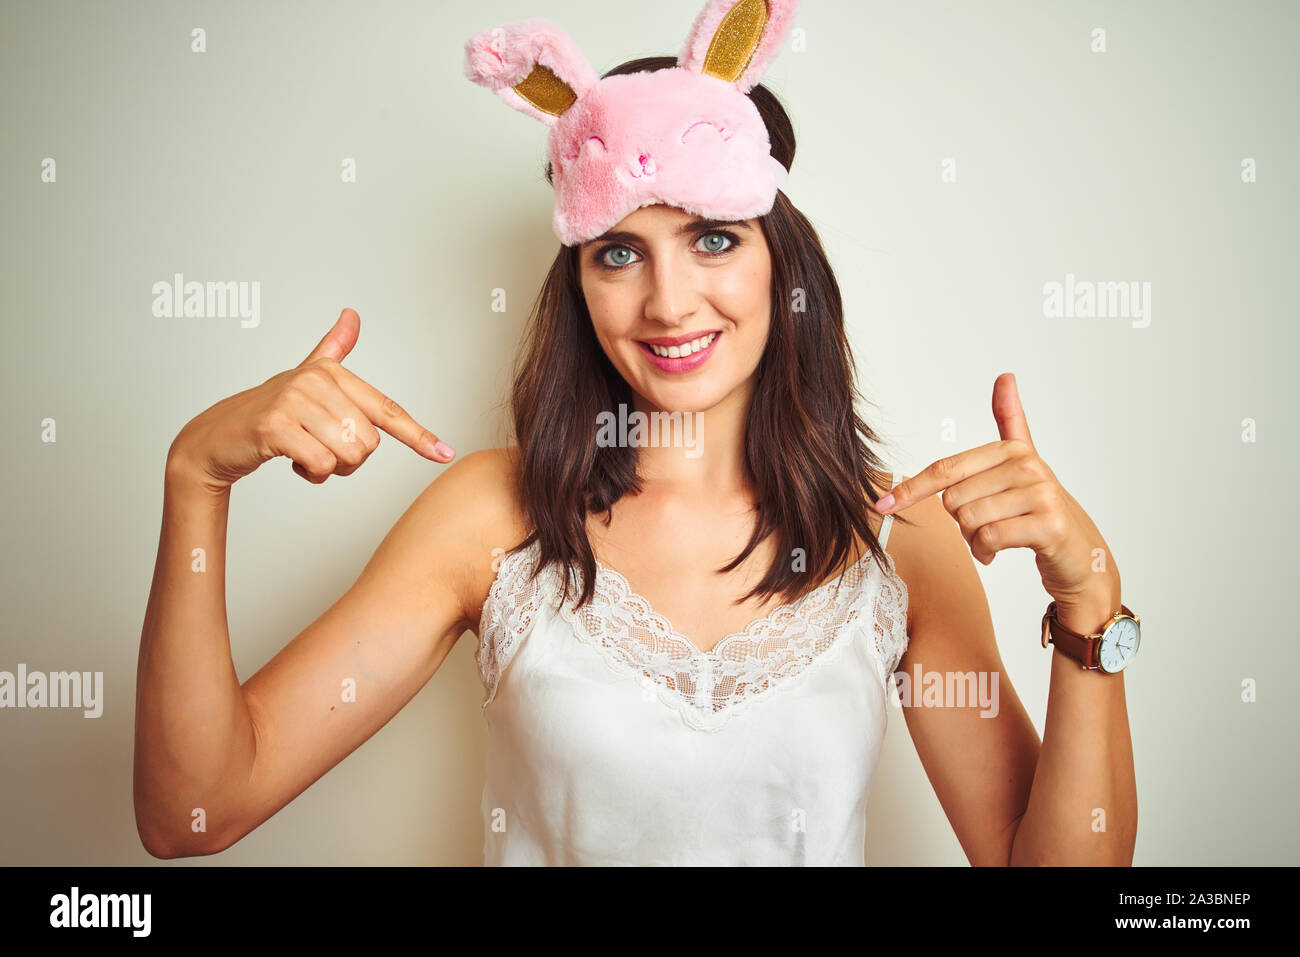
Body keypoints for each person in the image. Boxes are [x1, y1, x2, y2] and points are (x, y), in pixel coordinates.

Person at [134, 0, 1138, 866]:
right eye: (619, 252)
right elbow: (195, 810)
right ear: (578, 281)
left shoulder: (895, 540)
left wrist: (1090, 607)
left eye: (713, 239)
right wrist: (195, 480)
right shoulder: (490, 518)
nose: (668, 301)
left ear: (781, 262)